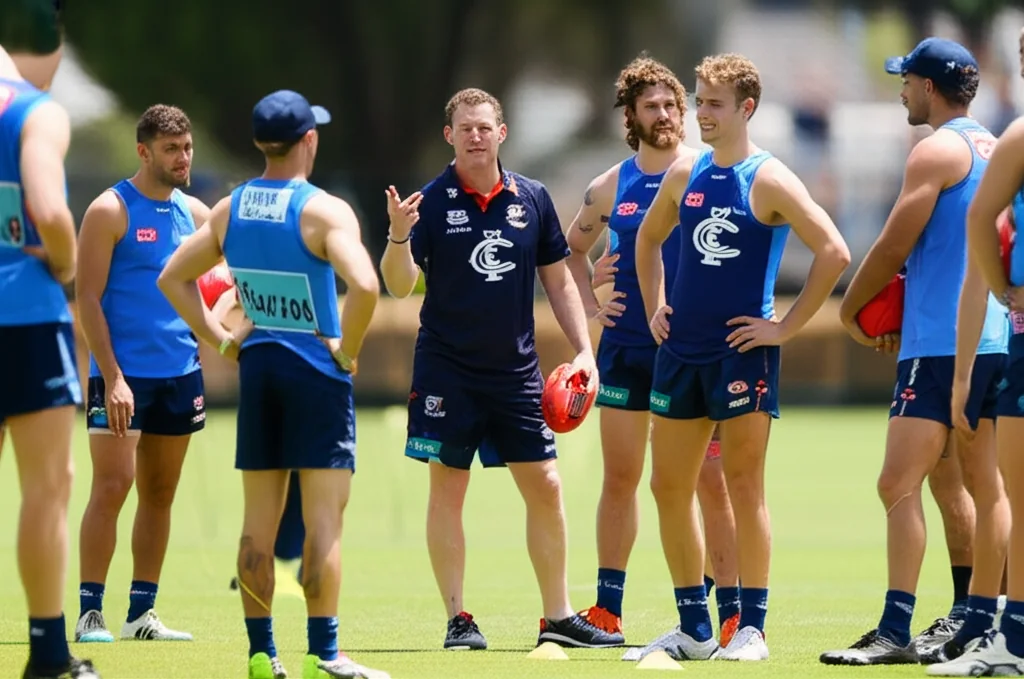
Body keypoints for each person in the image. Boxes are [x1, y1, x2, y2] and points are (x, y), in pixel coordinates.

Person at [379, 87, 620, 651]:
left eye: (485, 127)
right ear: (450, 136)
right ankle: (458, 619)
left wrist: (585, 351)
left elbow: (559, 281)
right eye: (465, 128)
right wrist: (396, 233)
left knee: (547, 485)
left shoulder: (531, 198)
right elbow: (397, 285)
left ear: (501, 132)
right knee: (448, 491)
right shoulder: (430, 202)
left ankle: (558, 616)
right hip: (447, 371)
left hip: (516, 373)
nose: (476, 136)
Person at [157, 89, 387, 679]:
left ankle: (262, 656)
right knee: (324, 521)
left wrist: (222, 341)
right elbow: (363, 285)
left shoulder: (230, 209)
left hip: (258, 369)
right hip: (316, 372)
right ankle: (325, 653)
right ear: (308, 140)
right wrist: (348, 351)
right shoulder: (324, 211)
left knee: (257, 523)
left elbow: (172, 278)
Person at [632, 52, 850, 663]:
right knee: (667, 486)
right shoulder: (684, 174)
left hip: (740, 356)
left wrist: (783, 328)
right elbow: (648, 240)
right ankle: (696, 630)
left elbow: (833, 251)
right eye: (697, 100)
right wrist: (656, 305)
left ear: (746, 109)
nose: (699, 112)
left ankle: (750, 629)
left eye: (712, 103)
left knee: (743, 486)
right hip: (680, 352)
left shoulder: (770, 178)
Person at [819, 38, 1012, 667]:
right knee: (976, 487)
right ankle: (978, 621)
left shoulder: (936, 148)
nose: (901, 90)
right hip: (995, 338)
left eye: (906, 81)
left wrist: (848, 310)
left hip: (938, 341)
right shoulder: (996, 145)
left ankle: (896, 630)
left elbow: (894, 241)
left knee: (896, 483)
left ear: (929, 87)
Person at [563, 54, 740, 649]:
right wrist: (593, 295)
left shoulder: (703, 171)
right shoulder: (609, 186)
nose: (665, 114)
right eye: (651, 107)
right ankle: (608, 612)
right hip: (627, 351)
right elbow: (569, 250)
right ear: (631, 117)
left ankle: (731, 613)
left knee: (707, 483)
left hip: (690, 354)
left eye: (672, 104)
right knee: (620, 476)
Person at [72, 104, 208, 644]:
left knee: (160, 491)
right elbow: (86, 297)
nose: (183, 158)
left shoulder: (193, 213)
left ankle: (140, 615)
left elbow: (216, 278)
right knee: (112, 486)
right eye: (172, 149)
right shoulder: (110, 210)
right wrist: (113, 375)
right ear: (144, 151)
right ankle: (90, 614)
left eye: (188, 148)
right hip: (121, 376)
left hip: (180, 373)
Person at [0, 1, 102, 676]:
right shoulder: (34, 110)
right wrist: (64, 263)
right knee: (48, 484)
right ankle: (46, 653)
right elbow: (48, 211)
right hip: (25, 318)